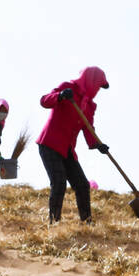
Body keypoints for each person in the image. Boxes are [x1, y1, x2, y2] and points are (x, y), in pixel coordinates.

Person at [37, 66, 110, 223]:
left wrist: (98, 144)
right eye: (98, 85)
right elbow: (44, 100)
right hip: (50, 143)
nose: (97, 90)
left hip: (67, 149)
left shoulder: (89, 106)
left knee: (82, 185)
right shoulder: (67, 88)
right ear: (90, 81)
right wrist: (60, 96)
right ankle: (54, 222)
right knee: (59, 182)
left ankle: (87, 222)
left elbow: (88, 127)